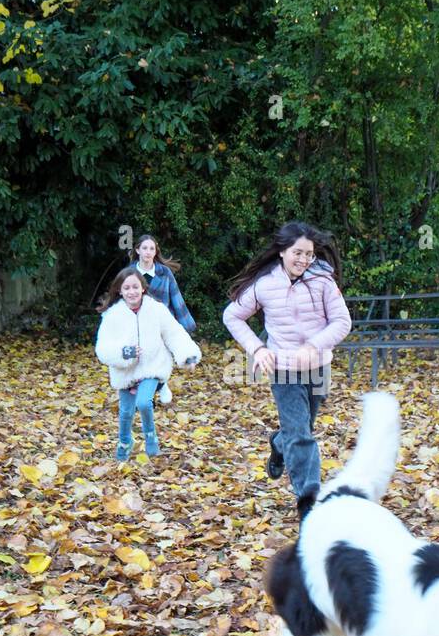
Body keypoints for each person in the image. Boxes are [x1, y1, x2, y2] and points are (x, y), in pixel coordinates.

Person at [222, 221, 351, 518]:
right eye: (297, 253)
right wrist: (258, 348)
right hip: (282, 369)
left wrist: (313, 346)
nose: (303, 260)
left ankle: (279, 443)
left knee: (300, 430)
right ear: (282, 251)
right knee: (302, 437)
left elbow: (342, 322)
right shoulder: (265, 284)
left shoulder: (323, 281)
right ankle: (310, 503)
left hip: (319, 368)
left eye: (309, 254)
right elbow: (232, 316)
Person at [95, 267, 200, 462]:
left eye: (135, 287)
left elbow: (174, 333)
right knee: (126, 412)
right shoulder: (112, 316)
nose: (132, 291)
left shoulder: (156, 309)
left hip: (153, 367)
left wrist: (188, 356)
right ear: (120, 291)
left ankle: (151, 437)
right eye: (127, 288)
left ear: (143, 288)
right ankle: (125, 441)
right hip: (125, 372)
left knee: (144, 402)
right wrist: (124, 353)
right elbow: (102, 348)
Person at [132, 235, 196, 405]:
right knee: (140, 359)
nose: (148, 252)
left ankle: (161, 383)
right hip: (136, 323)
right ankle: (148, 393)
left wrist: (185, 325)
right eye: (144, 248)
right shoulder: (130, 273)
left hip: (160, 323)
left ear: (156, 252)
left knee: (159, 357)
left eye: (152, 249)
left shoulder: (164, 272)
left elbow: (175, 296)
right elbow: (120, 297)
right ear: (137, 250)